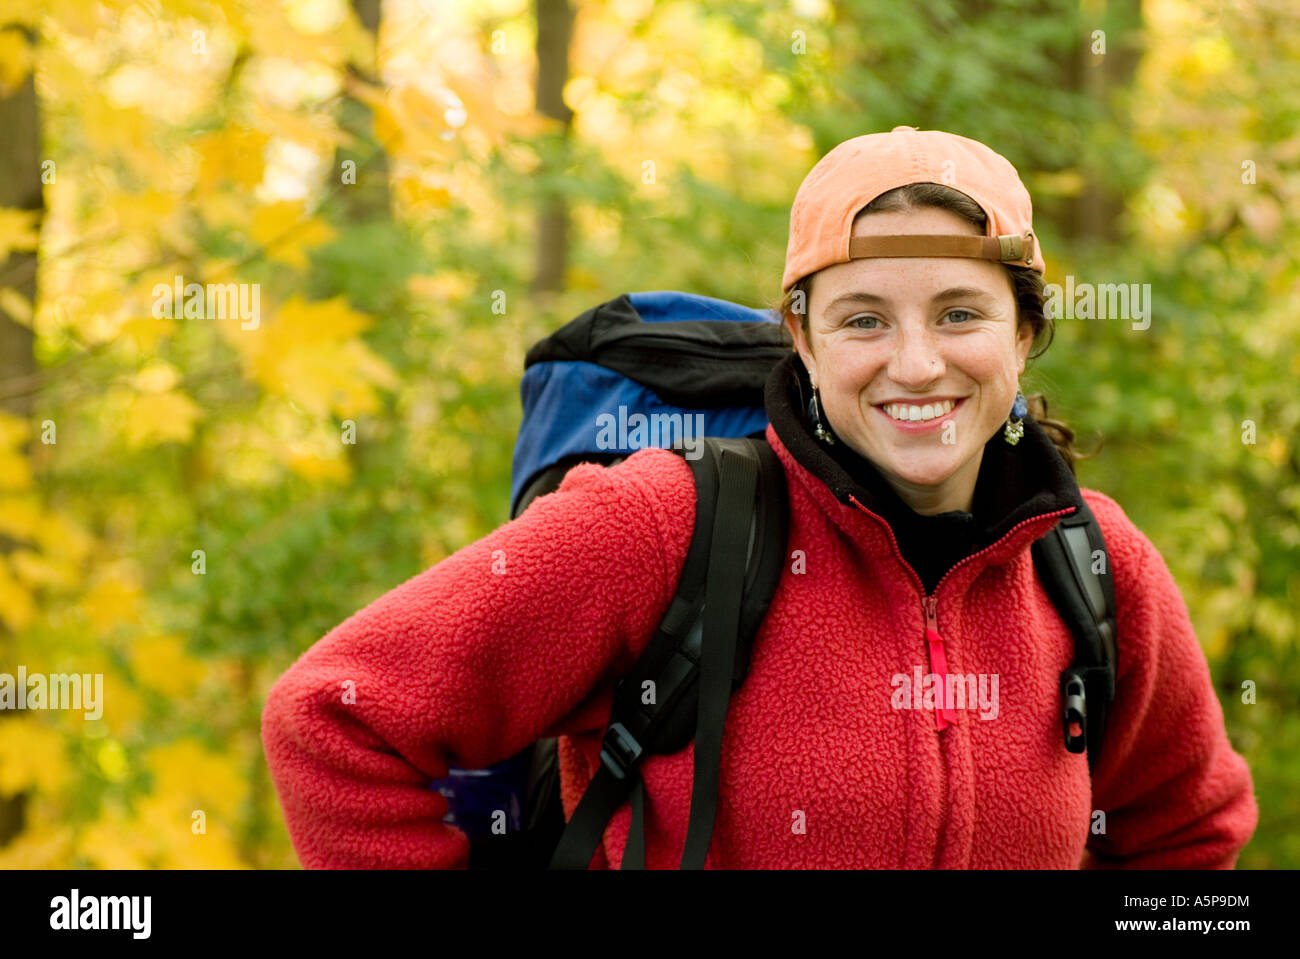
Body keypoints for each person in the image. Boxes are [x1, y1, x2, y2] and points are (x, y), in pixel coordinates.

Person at [261, 126, 1258, 869]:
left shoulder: (1092, 563)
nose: (916, 364)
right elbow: (335, 718)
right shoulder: (660, 525)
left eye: (960, 312)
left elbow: (1185, 831)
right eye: (864, 318)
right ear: (803, 337)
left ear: (1024, 333)